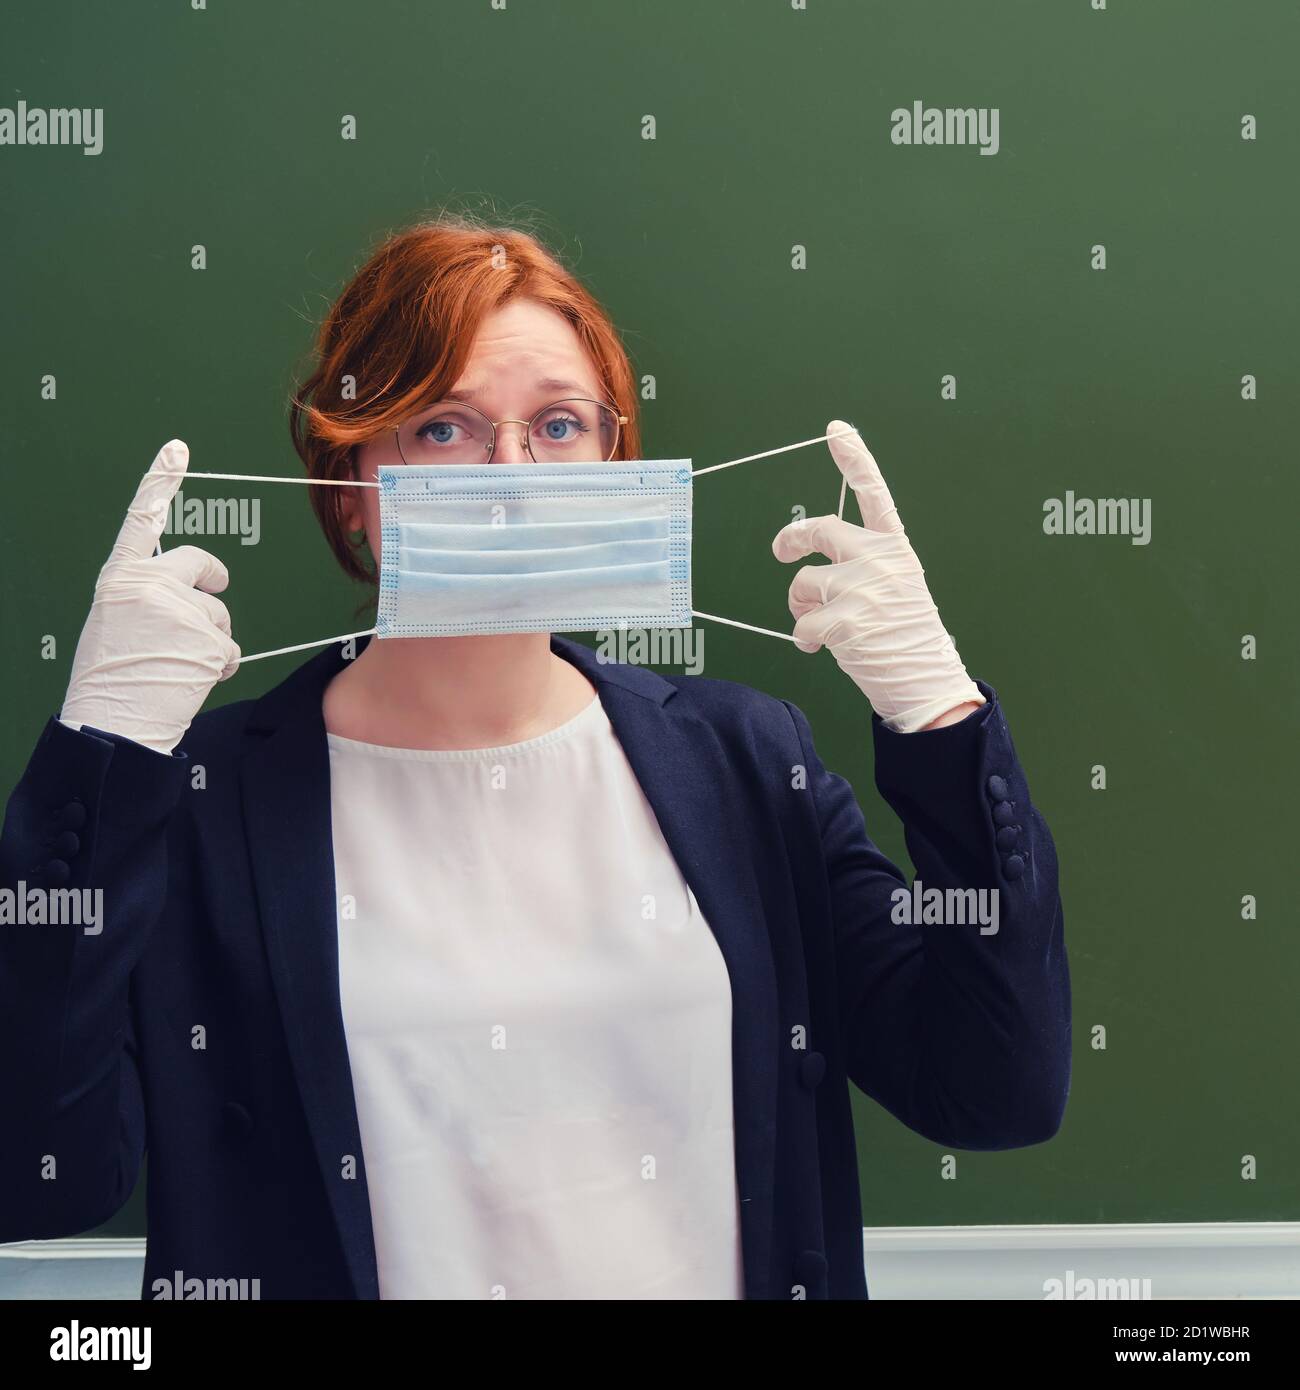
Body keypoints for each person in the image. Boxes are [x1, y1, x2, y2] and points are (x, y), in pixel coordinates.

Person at [0, 212, 1070, 1300]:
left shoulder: (746, 764)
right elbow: (39, 1174)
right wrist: (100, 757)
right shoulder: (198, 798)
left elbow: (995, 1087)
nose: (510, 475)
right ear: (350, 482)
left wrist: (940, 720)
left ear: (615, 459)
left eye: (558, 427)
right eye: (443, 429)